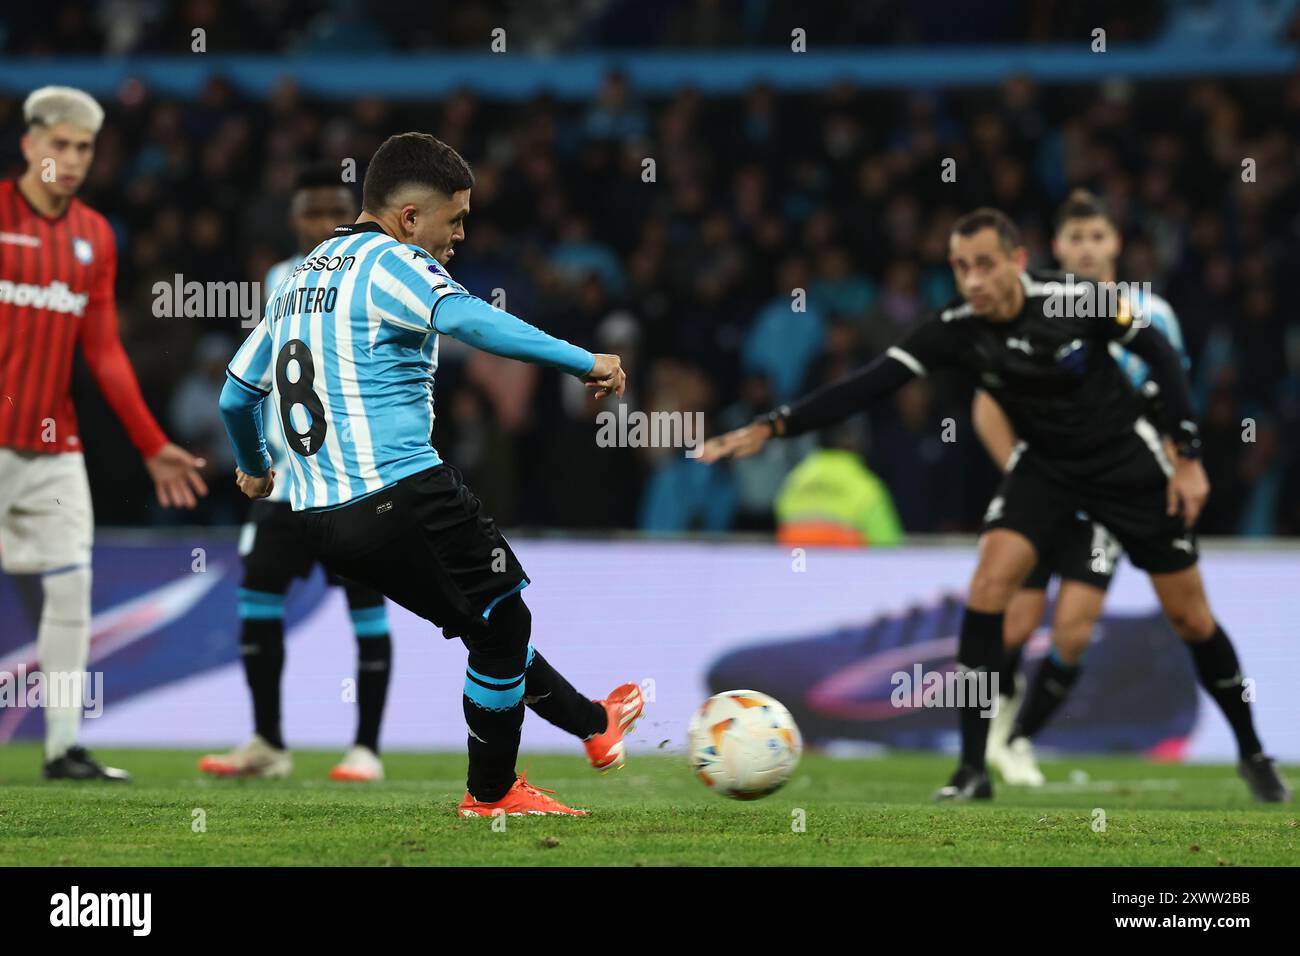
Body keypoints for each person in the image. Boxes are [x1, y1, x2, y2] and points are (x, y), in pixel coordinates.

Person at [701, 207, 1291, 803]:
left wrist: (1187, 455)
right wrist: (774, 426)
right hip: (1045, 470)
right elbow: (870, 384)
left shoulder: (1071, 299)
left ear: (1016, 260)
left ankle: (1252, 750)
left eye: (984, 265)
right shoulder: (957, 327)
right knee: (988, 591)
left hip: (1124, 466)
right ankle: (971, 769)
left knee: (1191, 618)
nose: (973, 281)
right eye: (961, 268)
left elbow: (1160, 351)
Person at [219, 133, 642, 816]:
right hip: (403, 490)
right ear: (411, 217)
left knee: (491, 627)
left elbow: (236, 395)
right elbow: (471, 320)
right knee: (505, 620)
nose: (461, 234)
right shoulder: (393, 262)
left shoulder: (302, 274)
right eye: (457, 218)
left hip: (322, 517)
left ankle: (593, 725)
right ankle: (493, 791)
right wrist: (583, 360)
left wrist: (254, 468)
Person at [0, 86, 208, 782]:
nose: (72, 158)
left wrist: (152, 443)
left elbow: (105, 352)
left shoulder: (95, 237)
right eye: (59, 144)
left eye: (84, 147)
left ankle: (62, 748)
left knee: (72, 590)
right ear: (29, 145)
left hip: (53, 449)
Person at [975, 189, 1189, 786]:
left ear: (1116, 243)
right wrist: (1023, 477)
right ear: (1058, 248)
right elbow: (987, 410)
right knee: (1014, 626)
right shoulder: (1032, 306)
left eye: (1098, 237)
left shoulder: (1154, 313)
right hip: (1048, 485)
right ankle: (995, 719)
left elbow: (1172, 399)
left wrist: (1181, 468)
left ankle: (1017, 740)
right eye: (1076, 239)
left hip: (1114, 491)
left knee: (1072, 630)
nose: (1088, 249)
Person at [200, 165, 393, 782]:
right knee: (257, 598)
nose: (319, 224)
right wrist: (255, 456)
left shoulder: (375, 269)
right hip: (283, 480)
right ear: (294, 219)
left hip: (351, 478)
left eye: (331, 211)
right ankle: (268, 742)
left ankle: (366, 748)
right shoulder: (281, 279)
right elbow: (260, 377)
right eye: (309, 212)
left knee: (366, 605)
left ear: (353, 214)